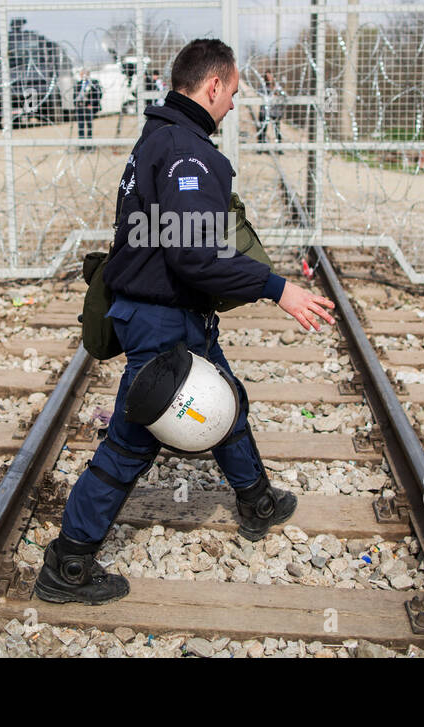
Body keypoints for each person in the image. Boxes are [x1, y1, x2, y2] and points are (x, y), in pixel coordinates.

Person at [35, 38, 336, 605]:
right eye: (232, 96)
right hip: (160, 320)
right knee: (130, 444)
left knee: (226, 399)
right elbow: (193, 254)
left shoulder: (160, 136)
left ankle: (255, 500)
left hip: (167, 314)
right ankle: (69, 563)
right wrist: (278, 289)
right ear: (213, 85)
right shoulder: (187, 151)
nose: (230, 109)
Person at [73, 68, 102, 147]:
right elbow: (74, 96)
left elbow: (98, 95)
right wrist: (76, 104)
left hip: (89, 108)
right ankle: (82, 145)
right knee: (80, 126)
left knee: (89, 126)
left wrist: (92, 104)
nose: (82, 76)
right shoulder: (78, 84)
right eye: (81, 74)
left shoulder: (93, 83)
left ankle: (89, 145)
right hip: (80, 108)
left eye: (84, 74)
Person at [256, 69, 285, 143]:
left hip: (275, 111)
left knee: (277, 129)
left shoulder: (276, 86)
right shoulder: (263, 86)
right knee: (263, 129)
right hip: (265, 111)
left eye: (270, 75)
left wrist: (277, 94)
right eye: (267, 76)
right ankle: (260, 145)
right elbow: (259, 93)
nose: (269, 77)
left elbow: (283, 94)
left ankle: (279, 146)